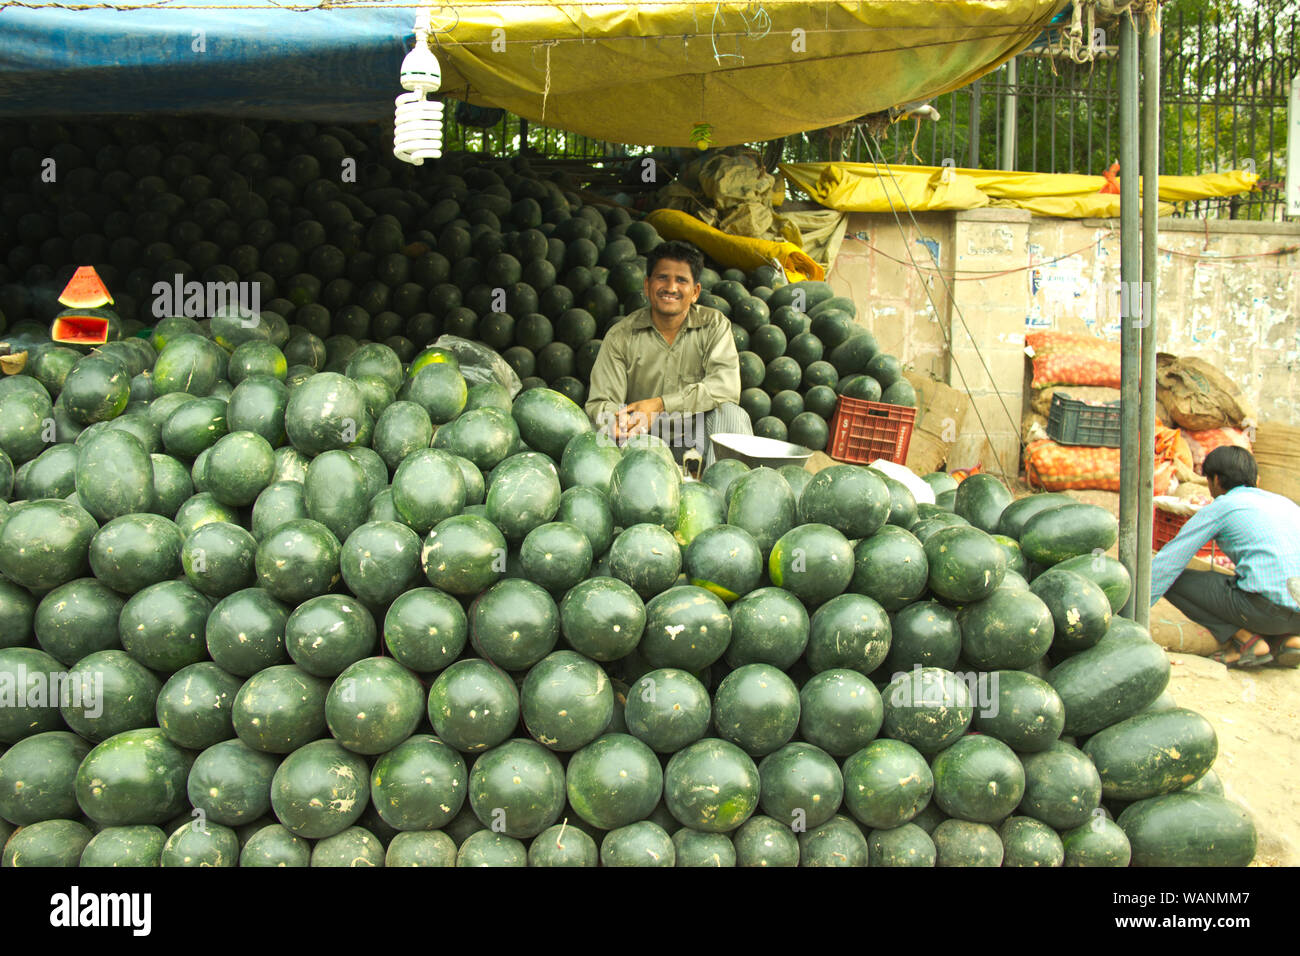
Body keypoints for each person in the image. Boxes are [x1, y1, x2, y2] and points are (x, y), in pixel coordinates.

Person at [584, 240, 751, 468]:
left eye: (681, 280)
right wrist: (618, 418)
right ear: (647, 285)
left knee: (732, 414)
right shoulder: (621, 335)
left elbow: (726, 388)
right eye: (662, 277)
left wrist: (661, 404)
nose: (671, 287)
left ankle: (724, 492)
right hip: (642, 439)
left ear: (695, 292)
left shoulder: (714, 326)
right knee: (597, 427)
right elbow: (601, 401)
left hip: (696, 439)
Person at [1150, 446, 1300, 668]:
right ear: (1255, 479)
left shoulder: (1224, 506)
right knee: (1255, 587)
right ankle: (1289, 640)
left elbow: (1170, 562)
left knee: (1174, 579)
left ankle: (1246, 640)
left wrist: (1128, 612)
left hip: (1263, 612)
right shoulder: (1287, 504)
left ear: (1216, 480)